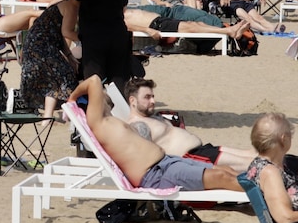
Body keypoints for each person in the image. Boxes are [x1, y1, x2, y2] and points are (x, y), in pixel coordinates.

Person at [67, 75, 241, 191]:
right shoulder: (99, 122)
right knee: (221, 176)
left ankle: (262, 188)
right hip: (155, 175)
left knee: (225, 170)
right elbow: (94, 80)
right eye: (101, 94)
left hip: (168, 162)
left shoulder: (113, 122)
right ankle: (265, 195)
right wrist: (73, 98)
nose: (104, 92)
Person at [124, 78, 256, 171]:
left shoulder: (150, 117)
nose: (153, 101)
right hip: (192, 159)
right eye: (147, 97)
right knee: (250, 164)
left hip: (202, 151)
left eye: (153, 96)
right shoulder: (137, 126)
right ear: (133, 100)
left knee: (252, 154)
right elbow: (144, 159)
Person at [60, 0, 132, 92]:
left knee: (94, 79)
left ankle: (97, 107)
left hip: (93, 34)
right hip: (117, 31)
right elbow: (123, 6)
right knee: (119, 77)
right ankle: (119, 107)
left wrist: (69, 28)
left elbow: (72, 4)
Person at [19, 2, 77, 120]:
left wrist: (69, 56)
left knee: (54, 80)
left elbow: (60, 35)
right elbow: (67, 32)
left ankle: (48, 116)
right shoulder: (72, 6)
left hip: (34, 44)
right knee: (64, 77)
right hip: (41, 46)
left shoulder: (60, 6)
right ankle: (70, 113)